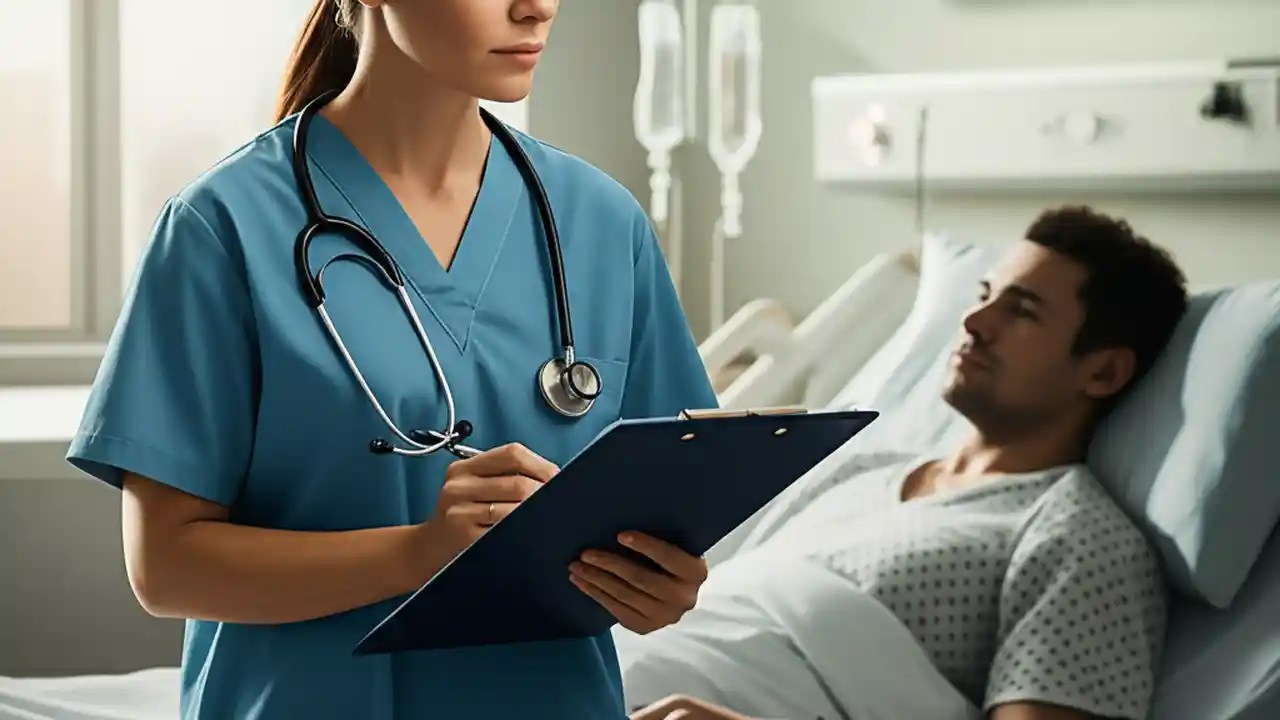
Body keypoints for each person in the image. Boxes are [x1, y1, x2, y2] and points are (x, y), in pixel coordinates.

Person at [65, 1, 718, 718]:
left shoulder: (601, 223)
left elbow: (658, 509)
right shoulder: (221, 228)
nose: (535, 7)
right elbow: (166, 567)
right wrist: (417, 554)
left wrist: (660, 588)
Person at [622, 206, 1190, 720]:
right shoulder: (862, 471)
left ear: (1103, 372)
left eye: (1021, 312)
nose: (974, 323)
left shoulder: (1076, 540)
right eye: (983, 294)